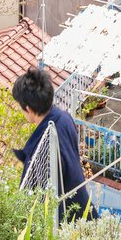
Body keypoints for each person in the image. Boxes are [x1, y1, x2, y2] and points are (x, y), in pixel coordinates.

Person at [11, 66, 97, 220]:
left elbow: (34, 200)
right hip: (83, 206)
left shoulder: (41, 147)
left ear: (28, 109)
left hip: (67, 223)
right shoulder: (64, 118)